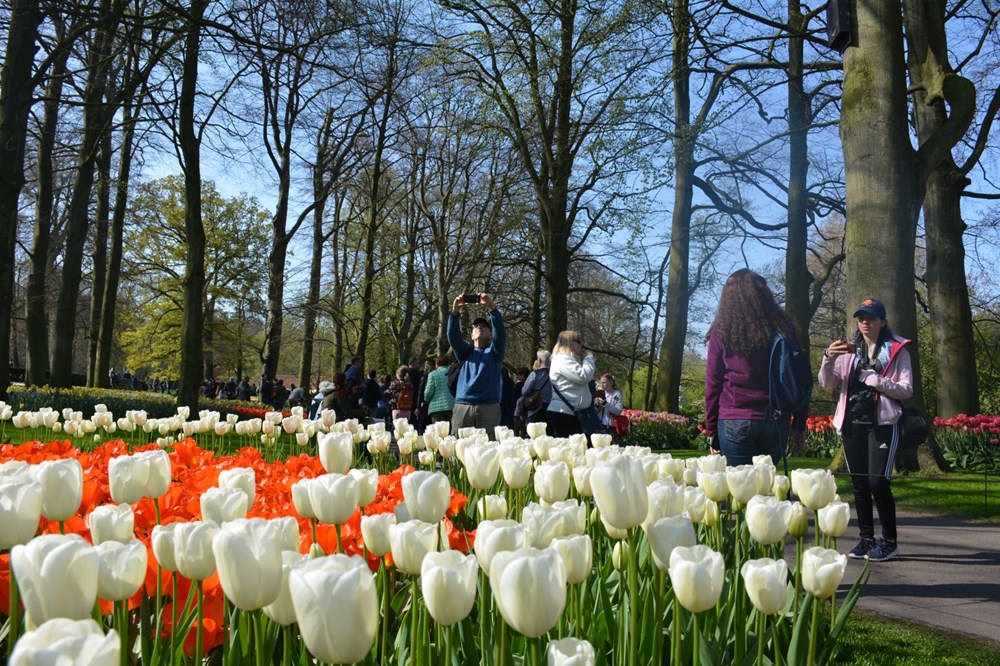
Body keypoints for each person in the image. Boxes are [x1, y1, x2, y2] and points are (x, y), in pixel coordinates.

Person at [819, 298, 912, 562]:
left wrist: (878, 381)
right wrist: (827, 358)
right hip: (852, 425)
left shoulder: (897, 351)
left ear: (882, 321)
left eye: (870, 318)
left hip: (882, 425)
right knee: (859, 484)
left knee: (877, 482)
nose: (864, 322)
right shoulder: (848, 351)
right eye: (861, 318)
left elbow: (906, 389)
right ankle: (866, 539)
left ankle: (890, 542)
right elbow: (827, 383)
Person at [704, 269, 807, 466]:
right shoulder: (783, 327)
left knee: (741, 489)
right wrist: (799, 422)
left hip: (735, 417)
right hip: (776, 420)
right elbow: (799, 377)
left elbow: (713, 383)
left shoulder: (722, 329)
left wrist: (712, 429)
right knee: (766, 489)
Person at [447, 292, 507, 436]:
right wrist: (455, 310)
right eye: (476, 327)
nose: (479, 327)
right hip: (463, 405)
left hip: (489, 407)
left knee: (487, 449)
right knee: (459, 449)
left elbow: (501, 334)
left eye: (484, 326)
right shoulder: (464, 352)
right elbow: (452, 335)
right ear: (472, 336)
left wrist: (491, 307)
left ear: (491, 335)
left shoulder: (495, 353)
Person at [546, 331, 596, 438]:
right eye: (578, 341)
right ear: (569, 342)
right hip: (565, 414)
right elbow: (583, 376)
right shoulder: (562, 359)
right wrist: (589, 359)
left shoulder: (568, 359)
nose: (581, 345)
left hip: (572, 413)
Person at [519, 351, 553, 429]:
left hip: (536, 408)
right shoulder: (554, 375)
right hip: (550, 408)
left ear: (540, 361)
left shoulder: (534, 374)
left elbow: (524, 391)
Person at [423, 354, 456, 424]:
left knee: (439, 432)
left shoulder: (433, 374)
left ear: (436, 364)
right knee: (450, 432)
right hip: (452, 406)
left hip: (436, 408)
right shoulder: (453, 373)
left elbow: (428, 392)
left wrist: (426, 398)